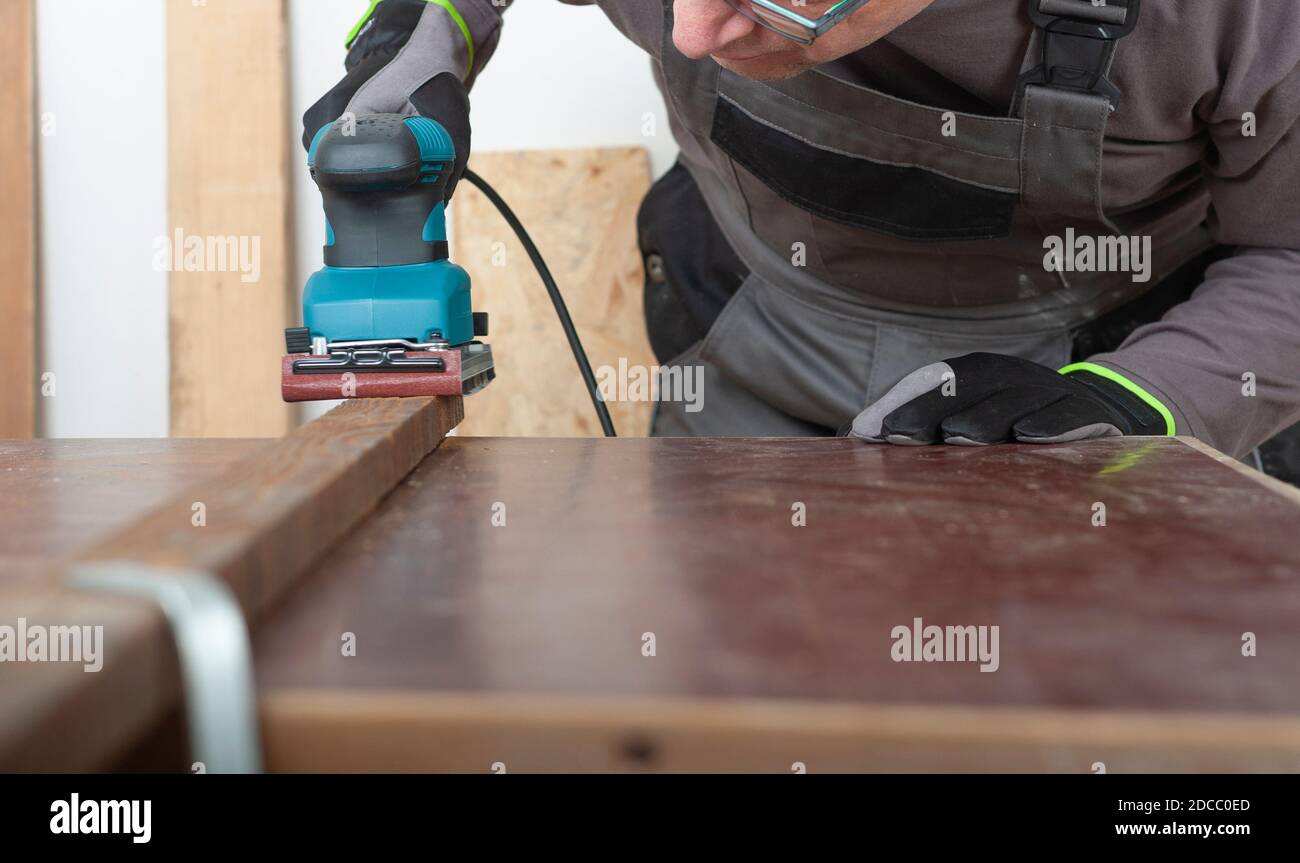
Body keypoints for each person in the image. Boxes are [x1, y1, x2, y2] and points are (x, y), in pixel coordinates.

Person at [305, 0, 1300, 480]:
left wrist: (1137, 399)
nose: (692, 30)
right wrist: (412, 40)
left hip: (1094, 369)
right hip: (745, 327)